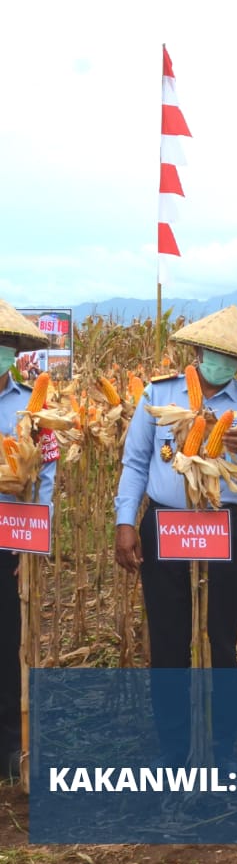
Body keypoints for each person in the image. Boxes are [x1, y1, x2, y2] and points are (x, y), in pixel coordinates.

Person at [114, 306, 237, 761]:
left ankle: (221, 743)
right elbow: (134, 463)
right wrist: (126, 523)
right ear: (198, 350)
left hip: (222, 525)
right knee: (168, 639)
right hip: (165, 522)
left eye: (232, 357)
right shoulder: (159, 393)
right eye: (216, 353)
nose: (222, 362)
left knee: (220, 636)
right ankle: (173, 744)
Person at [0, 301, 56, 779]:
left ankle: (9, 750)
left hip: (10, 538)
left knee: (7, 641)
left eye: (5, 346)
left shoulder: (32, 410)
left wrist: (36, 538)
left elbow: (48, 475)